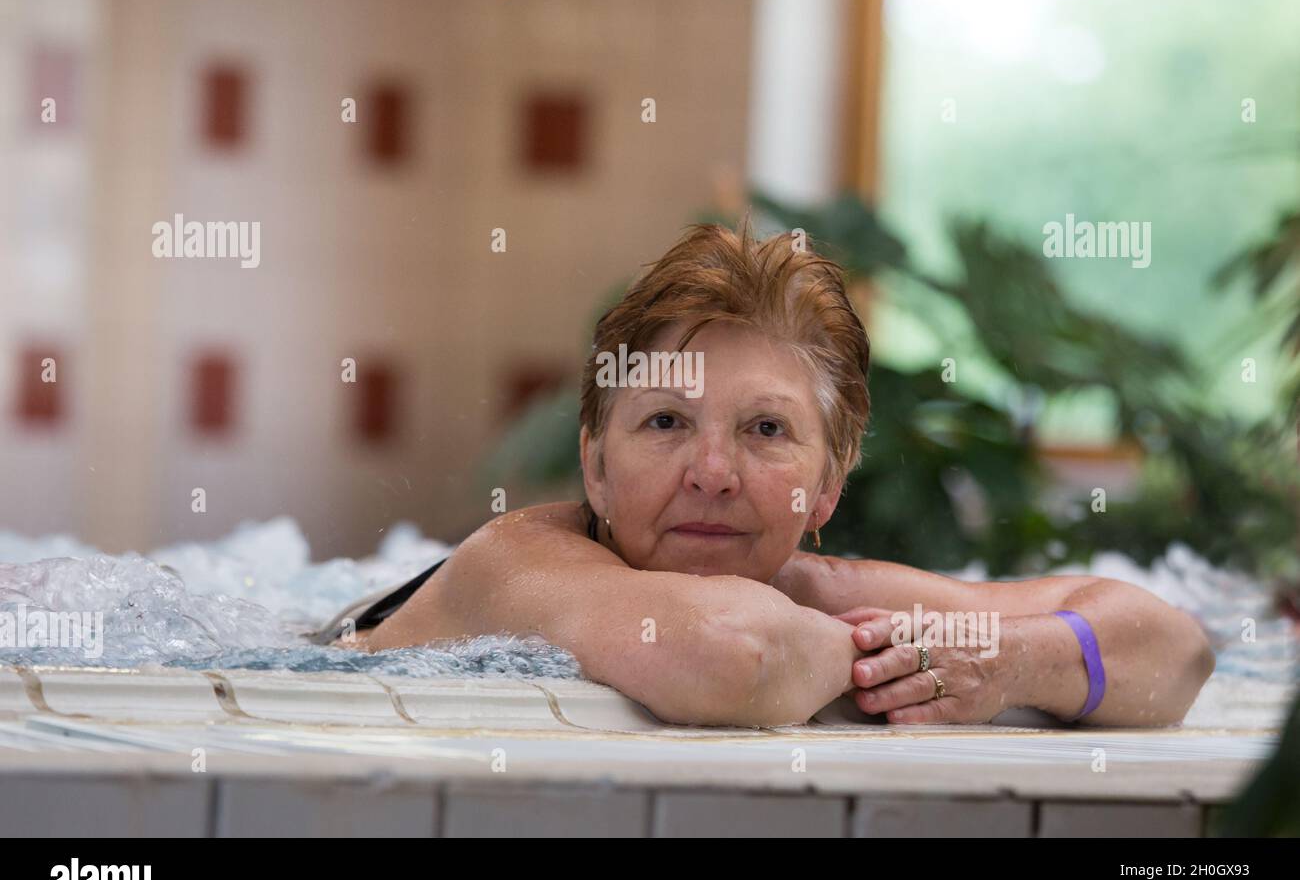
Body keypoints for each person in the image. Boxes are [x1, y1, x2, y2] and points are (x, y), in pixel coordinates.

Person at [312, 219, 1215, 728]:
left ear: (828, 485)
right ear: (595, 465)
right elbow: (727, 657)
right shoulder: (513, 563)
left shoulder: (813, 591)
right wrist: (895, 656)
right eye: (666, 421)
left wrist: (1005, 659)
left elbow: (1175, 651)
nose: (713, 472)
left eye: (767, 429)